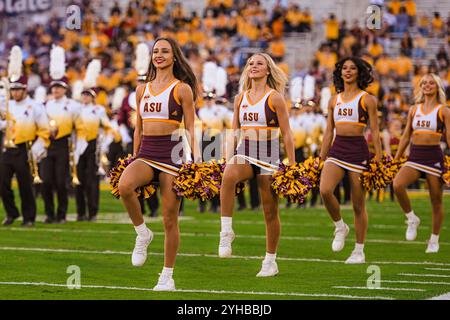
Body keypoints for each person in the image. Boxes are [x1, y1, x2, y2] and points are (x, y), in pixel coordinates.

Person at [117, 37, 199, 291]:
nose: (159, 55)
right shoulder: (142, 89)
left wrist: (196, 162)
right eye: (156, 51)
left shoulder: (182, 88)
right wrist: (133, 156)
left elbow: (191, 129)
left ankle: (167, 276)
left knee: (169, 219)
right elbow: (138, 128)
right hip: (147, 151)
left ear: (174, 56)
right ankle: (142, 233)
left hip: (173, 154)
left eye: (165, 51)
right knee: (125, 186)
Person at [218, 53, 295, 277]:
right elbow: (234, 131)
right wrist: (227, 157)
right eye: (250, 63)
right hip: (246, 151)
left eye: (259, 63)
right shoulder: (240, 98)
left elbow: (287, 134)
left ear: (268, 70)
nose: (253, 66)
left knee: (270, 211)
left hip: (269, 154)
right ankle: (226, 231)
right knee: (229, 176)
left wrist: (292, 165)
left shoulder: (275, 98)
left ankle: (270, 260)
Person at [319, 57, 381, 264]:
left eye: (352, 68)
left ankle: (359, 250)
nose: (348, 71)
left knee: (357, 204)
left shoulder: (368, 99)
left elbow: (374, 130)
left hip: (358, 151)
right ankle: (340, 226)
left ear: (359, 73)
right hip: (337, 149)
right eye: (344, 68)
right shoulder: (333, 100)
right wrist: (321, 157)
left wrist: (378, 157)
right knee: (325, 190)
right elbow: (329, 131)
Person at [393, 73, 450, 253]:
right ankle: (411, 218)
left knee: (436, 200)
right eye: (424, 83)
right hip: (415, 157)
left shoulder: (444, 110)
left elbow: (449, 137)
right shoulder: (413, 109)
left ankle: (434, 239)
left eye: (431, 83)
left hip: (434, 158)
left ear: (437, 87)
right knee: (398, 184)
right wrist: (395, 160)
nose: (427, 85)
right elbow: (405, 136)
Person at [0, 46, 50, 227]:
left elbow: (44, 131)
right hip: (8, 148)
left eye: (17, 90)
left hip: (25, 149)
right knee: (2, 183)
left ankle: (29, 218)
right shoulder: (7, 105)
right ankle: (12, 213)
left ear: (25, 89)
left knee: (25, 186)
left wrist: (35, 151)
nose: (14, 93)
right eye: (12, 90)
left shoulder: (36, 106)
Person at [41, 46, 81, 224]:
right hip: (47, 145)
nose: (55, 90)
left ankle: (61, 214)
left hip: (64, 144)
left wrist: (77, 147)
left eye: (59, 87)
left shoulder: (73, 105)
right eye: (53, 88)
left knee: (60, 181)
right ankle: (49, 214)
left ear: (64, 88)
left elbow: (78, 127)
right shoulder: (45, 105)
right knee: (46, 181)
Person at [74, 60, 115, 222]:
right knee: (78, 180)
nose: (85, 97)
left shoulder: (98, 110)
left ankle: (92, 212)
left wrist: (103, 144)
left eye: (88, 95)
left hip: (92, 147)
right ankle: (80, 212)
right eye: (83, 94)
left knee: (91, 181)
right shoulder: (75, 108)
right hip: (77, 148)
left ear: (92, 97)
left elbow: (109, 128)